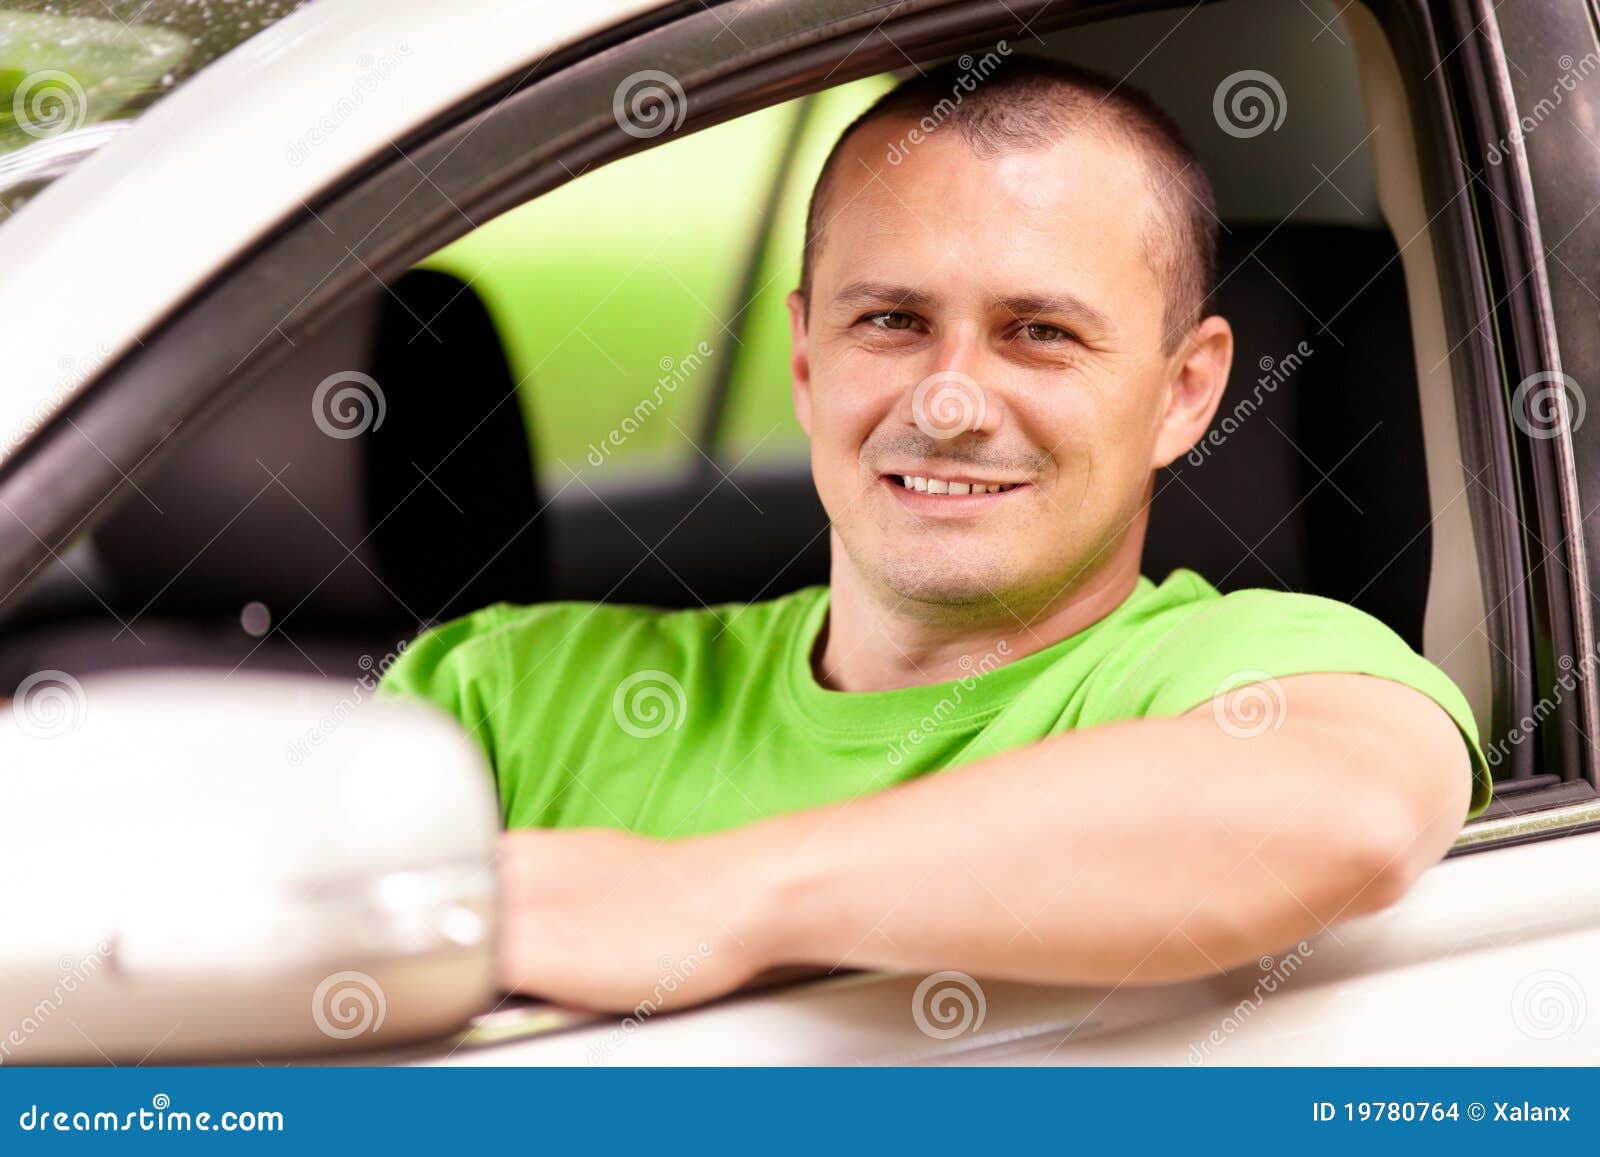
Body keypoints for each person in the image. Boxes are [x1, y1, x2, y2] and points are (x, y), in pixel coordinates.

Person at [379, 57, 1490, 1013]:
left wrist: (715, 896)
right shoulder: (509, 691)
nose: (949, 403)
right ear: (808, 362)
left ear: (1186, 392)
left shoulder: (1228, 670)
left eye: (1040, 332)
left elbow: (1346, 808)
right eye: (892, 321)